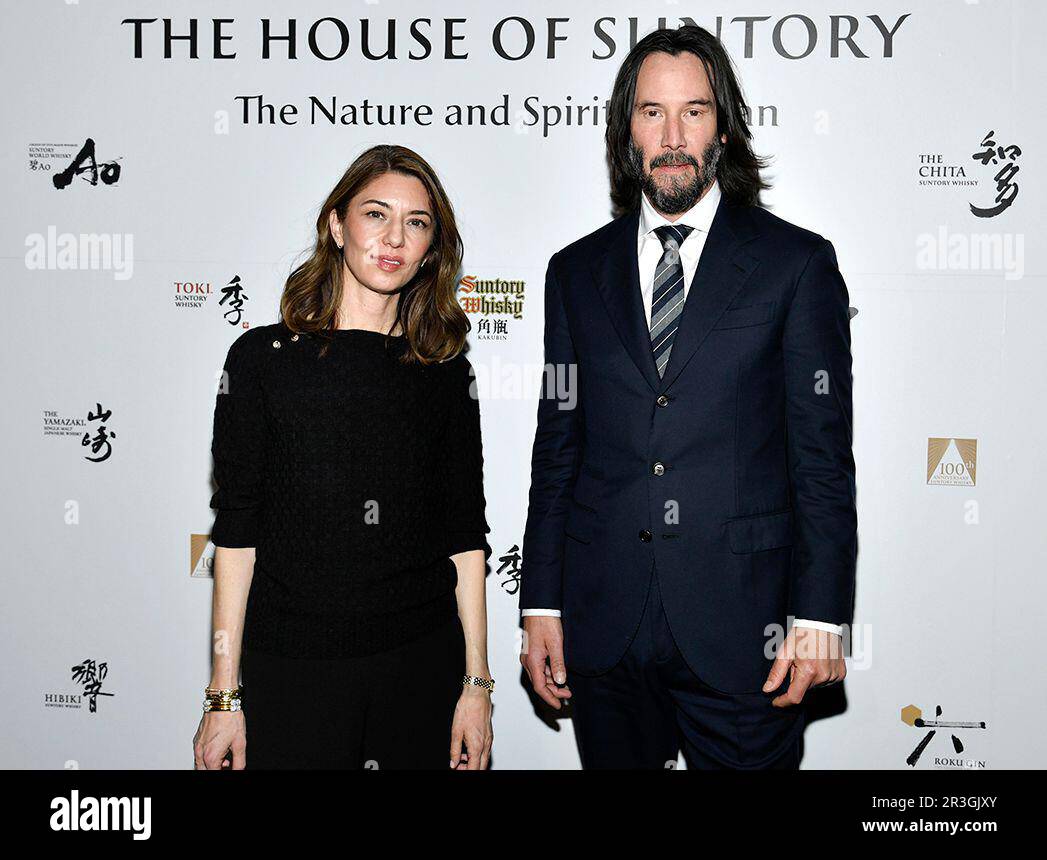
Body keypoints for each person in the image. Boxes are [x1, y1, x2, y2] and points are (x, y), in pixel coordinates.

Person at [520, 25, 857, 769]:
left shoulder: (795, 265)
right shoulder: (573, 272)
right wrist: (540, 602)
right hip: (603, 625)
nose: (673, 136)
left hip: (744, 628)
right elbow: (558, 446)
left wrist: (822, 614)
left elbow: (822, 458)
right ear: (624, 129)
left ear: (724, 126)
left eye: (694, 111)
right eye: (651, 113)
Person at [193, 144, 495, 770]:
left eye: (417, 222)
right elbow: (238, 537)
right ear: (336, 225)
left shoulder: (443, 371)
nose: (394, 238)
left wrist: (476, 686)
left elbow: (464, 537)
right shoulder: (261, 362)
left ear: (432, 247)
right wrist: (224, 697)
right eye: (375, 214)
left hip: (422, 666)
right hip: (293, 672)